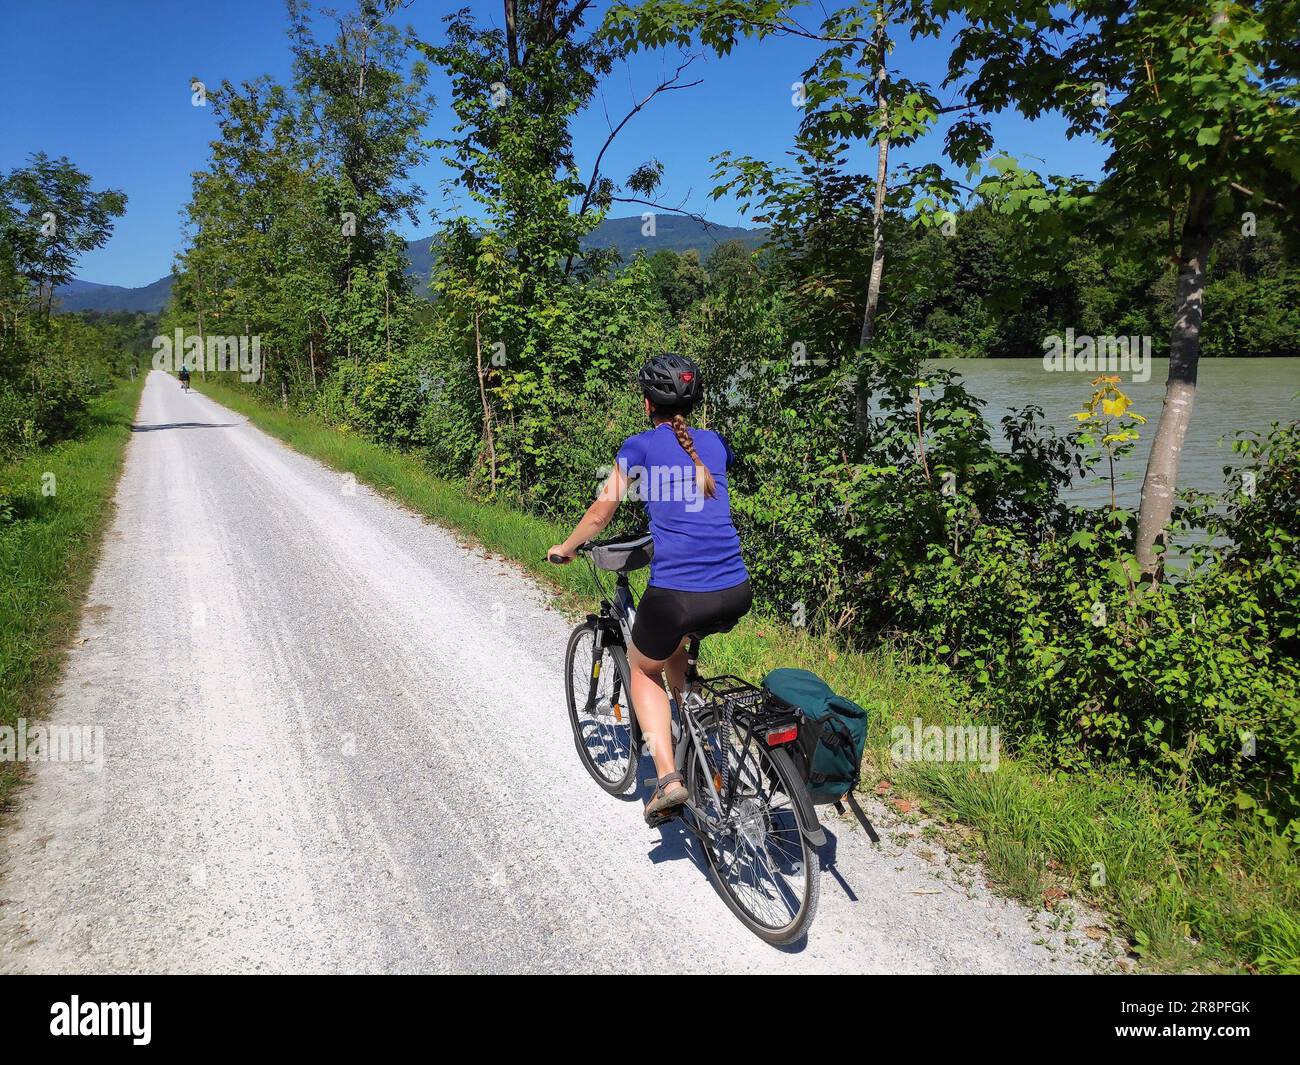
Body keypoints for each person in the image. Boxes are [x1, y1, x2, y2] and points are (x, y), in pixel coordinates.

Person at [548, 353, 752, 822]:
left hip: (680, 593)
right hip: (736, 588)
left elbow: (602, 512)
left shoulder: (638, 447)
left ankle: (668, 778)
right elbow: (695, 500)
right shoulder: (715, 444)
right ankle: (704, 738)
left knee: (643, 669)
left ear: (646, 405)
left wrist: (566, 546)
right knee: (674, 647)